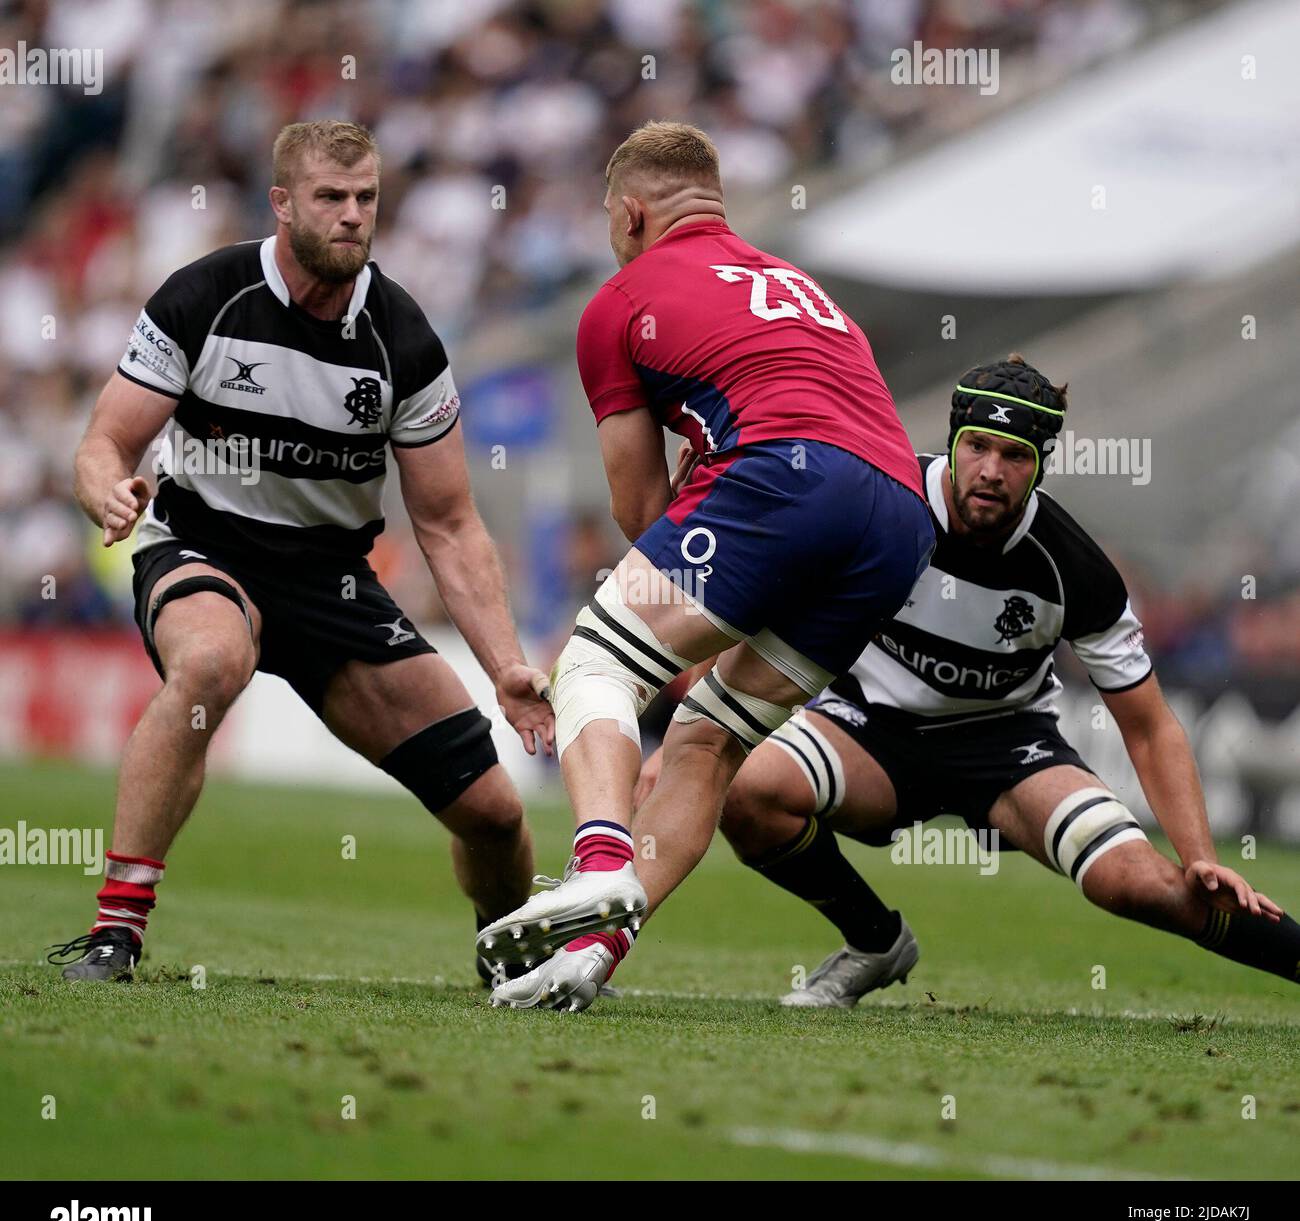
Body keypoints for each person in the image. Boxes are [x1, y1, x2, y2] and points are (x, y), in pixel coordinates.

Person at [49, 120, 553, 983]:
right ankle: (114, 932)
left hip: (332, 585)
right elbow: (105, 442)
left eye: (366, 199)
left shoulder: (406, 341)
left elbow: (450, 524)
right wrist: (106, 487)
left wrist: (505, 663)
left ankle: (511, 956)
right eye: (331, 197)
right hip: (201, 546)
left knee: (496, 813)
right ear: (283, 203)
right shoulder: (202, 295)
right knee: (210, 661)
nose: (352, 217)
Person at [644, 355, 1298, 1007]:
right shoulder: (877, 503)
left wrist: (1200, 853)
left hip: (1007, 748)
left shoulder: (1076, 570)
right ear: (952, 444)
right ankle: (875, 941)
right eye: (977, 446)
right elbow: (752, 583)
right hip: (868, 728)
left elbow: (1151, 727)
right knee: (744, 788)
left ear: (1040, 465)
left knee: (1134, 883)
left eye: (1014, 455)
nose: (990, 470)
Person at [478, 121, 933, 1010]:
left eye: (612, 218)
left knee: (597, 660)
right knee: (708, 744)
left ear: (634, 210)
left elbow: (639, 507)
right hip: (900, 513)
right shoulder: (796, 282)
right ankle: (590, 958)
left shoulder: (621, 298)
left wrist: (679, 624)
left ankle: (601, 857)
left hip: (786, 478)